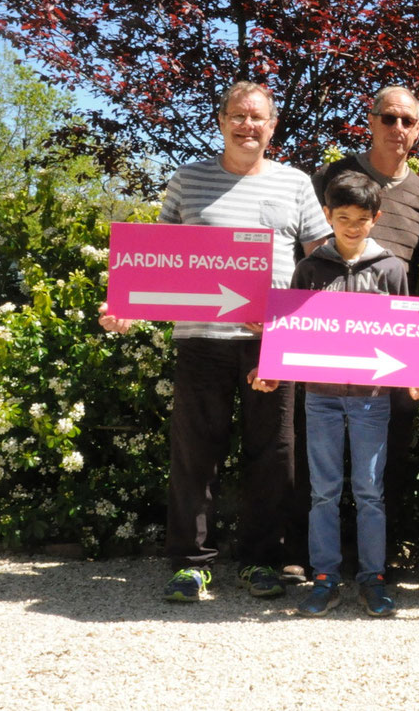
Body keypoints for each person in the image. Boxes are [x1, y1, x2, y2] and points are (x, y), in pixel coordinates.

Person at [98, 81, 331, 602]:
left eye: (259, 118)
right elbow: (157, 261)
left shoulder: (295, 184)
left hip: (271, 343)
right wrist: (125, 309)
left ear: (273, 126)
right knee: (195, 453)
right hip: (200, 341)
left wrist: (294, 318)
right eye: (238, 116)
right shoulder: (187, 180)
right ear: (221, 119)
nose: (248, 126)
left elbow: (321, 263)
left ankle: (261, 561)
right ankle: (190, 563)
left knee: (273, 454)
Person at [250, 171, 419, 618]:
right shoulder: (310, 268)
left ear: (377, 218)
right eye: (343, 217)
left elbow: (406, 336)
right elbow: (292, 332)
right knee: (324, 491)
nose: (352, 226)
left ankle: (372, 577)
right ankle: (325, 577)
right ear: (328, 217)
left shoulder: (392, 269)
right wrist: (271, 366)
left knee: (371, 490)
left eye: (361, 218)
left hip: (373, 398)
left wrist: (417, 375)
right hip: (321, 397)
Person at [312, 85, 419, 567]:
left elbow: (416, 285)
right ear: (370, 121)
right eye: (388, 118)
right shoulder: (331, 177)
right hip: (326, 350)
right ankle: (317, 559)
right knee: (321, 464)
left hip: (388, 358)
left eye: (407, 121)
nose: (398, 129)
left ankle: (375, 561)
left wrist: (417, 360)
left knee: (384, 465)